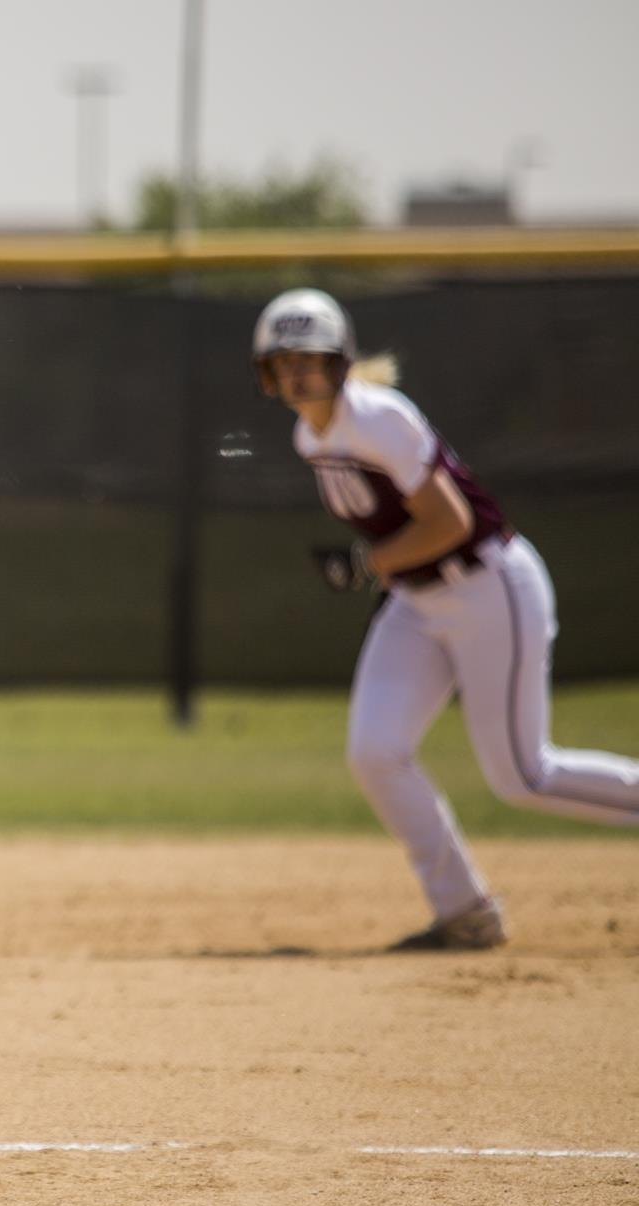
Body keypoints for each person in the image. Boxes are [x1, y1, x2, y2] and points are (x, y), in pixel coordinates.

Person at [253, 287, 639, 949]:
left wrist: (369, 565)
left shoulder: (378, 418)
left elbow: (451, 522)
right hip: (419, 600)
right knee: (376, 752)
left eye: (309, 359)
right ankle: (464, 910)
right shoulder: (307, 435)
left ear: (340, 362)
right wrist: (380, 566)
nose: (296, 372)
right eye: (282, 361)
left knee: (523, 776)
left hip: (490, 586)